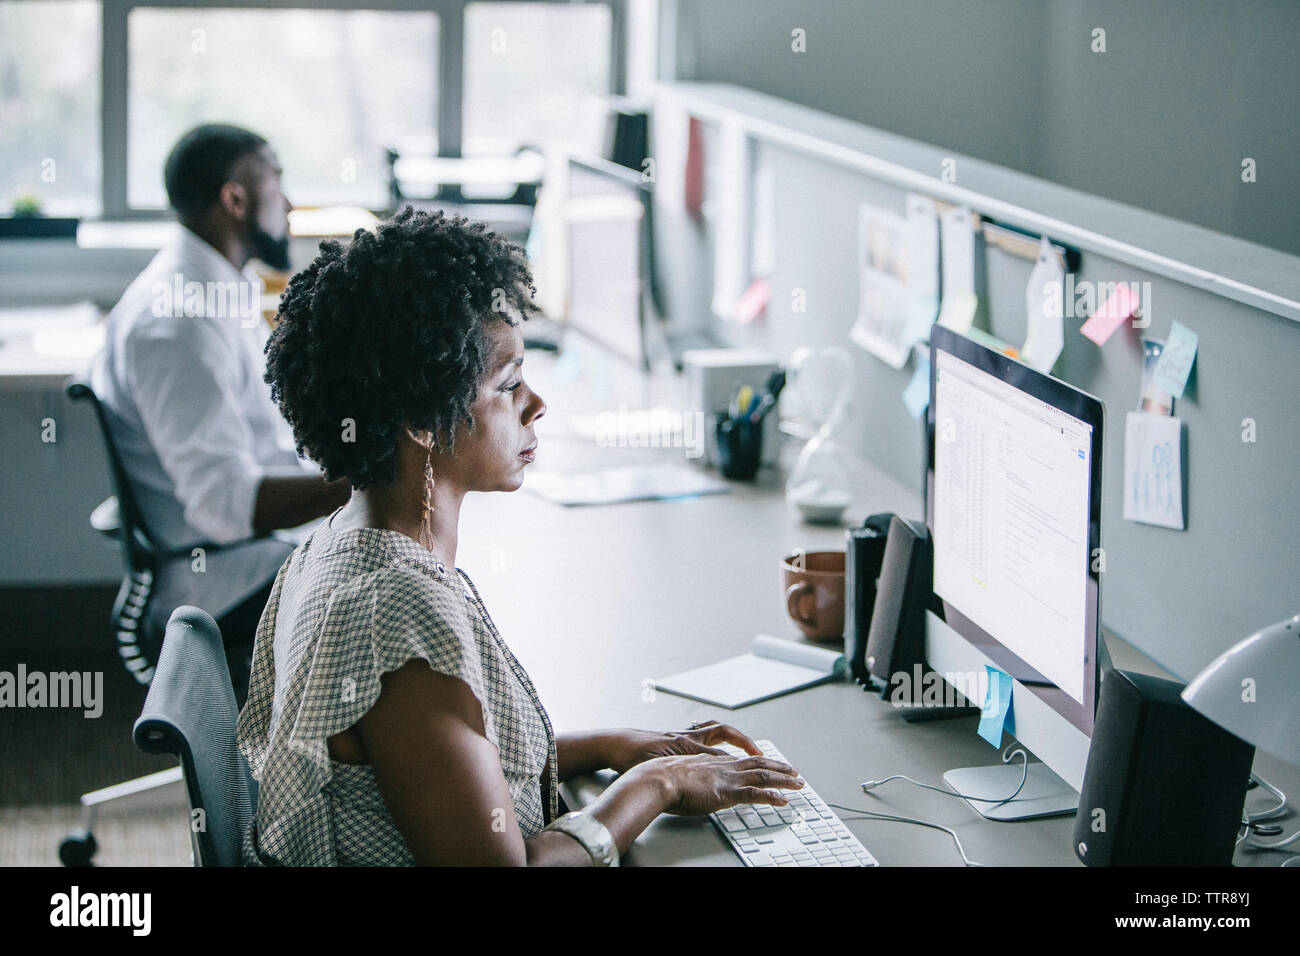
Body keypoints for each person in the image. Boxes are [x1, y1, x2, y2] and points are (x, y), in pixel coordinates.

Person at [235, 207, 804, 865]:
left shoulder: (334, 545)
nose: (537, 403)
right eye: (508, 385)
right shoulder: (392, 609)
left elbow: (436, 766)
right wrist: (658, 782)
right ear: (424, 420)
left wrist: (618, 745)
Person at [88, 124, 349, 692]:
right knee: (397, 594)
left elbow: (266, 434)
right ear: (235, 200)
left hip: (243, 552)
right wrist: (370, 482)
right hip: (219, 578)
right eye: (275, 184)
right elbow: (223, 503)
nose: (287, 204)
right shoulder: (178, 324)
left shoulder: (214, 288)